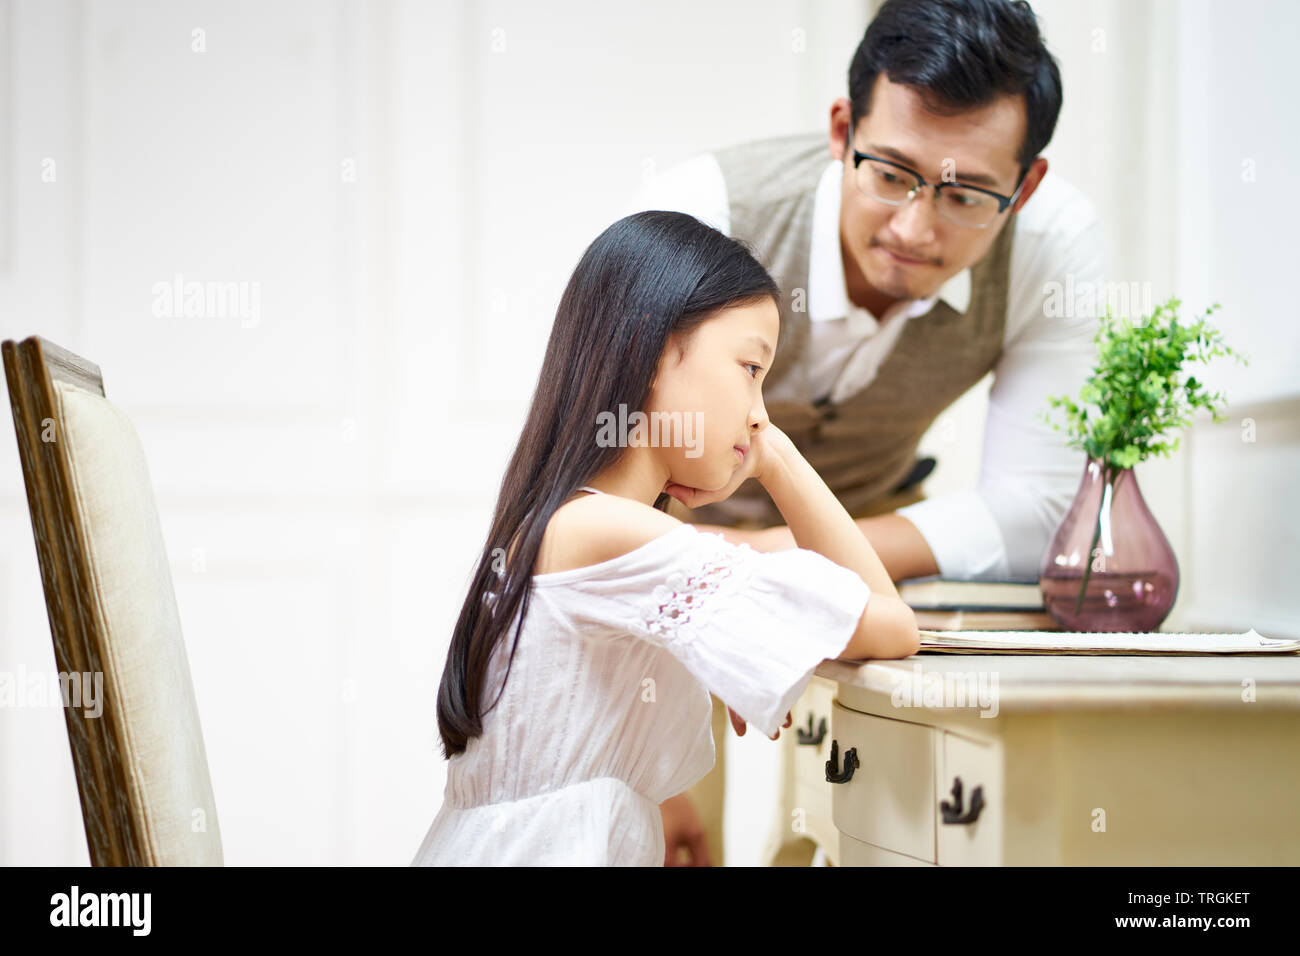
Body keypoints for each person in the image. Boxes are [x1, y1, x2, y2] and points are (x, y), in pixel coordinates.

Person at [625, 0, 1105, 865]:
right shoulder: (699, 210)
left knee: (872, 824)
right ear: (844, 128)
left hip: (876, 537)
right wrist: (651, 744)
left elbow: (1037, 510)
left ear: (1025, 187)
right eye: (891, 172)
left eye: (966, 195)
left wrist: (786, 556)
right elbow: (594, 462)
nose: (917, 229)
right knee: (667, 841)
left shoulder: (1054, 245)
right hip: (667, 546)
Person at [411, 211, 919, 866]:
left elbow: (850, 604)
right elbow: (892, 624)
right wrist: (781, 460)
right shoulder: (607, 532)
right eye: (750, 367)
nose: (759, 414)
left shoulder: (577, 523)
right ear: (651, 352)